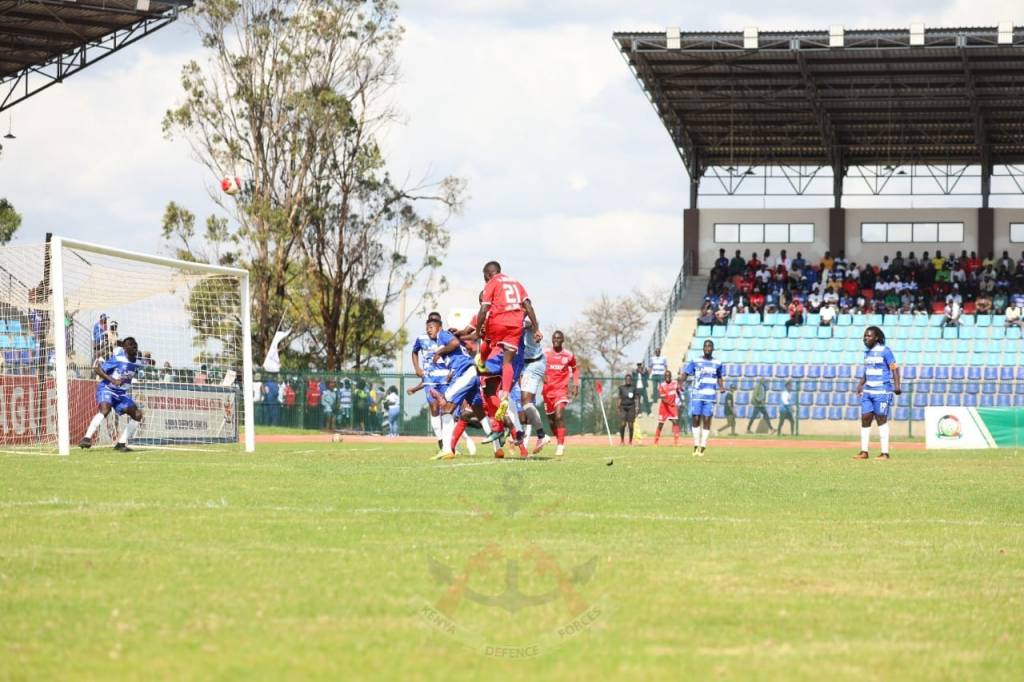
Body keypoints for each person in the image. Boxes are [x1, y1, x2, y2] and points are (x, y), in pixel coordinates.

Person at [473, 261, 540, 422]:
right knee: (507, 362)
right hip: (515, 325)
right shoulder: (516, 283)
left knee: (488, 342)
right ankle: (504, 395)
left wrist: (478, 329)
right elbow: (528, 306)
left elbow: (484, 309)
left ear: (488, 274)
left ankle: (481, 361)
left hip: (498, 322)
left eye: (484, 277)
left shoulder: (492, 282)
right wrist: (536, 328)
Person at [78, 336, 145, 451]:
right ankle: (87, 438)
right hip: (107, 388)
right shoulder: (117, 359)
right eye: (130, 344)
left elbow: (128, 374)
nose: (134, 345)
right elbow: (98, 369)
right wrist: (113, 380)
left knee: (137, 414)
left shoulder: (138, 363)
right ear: (124, 348)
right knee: (105, 410)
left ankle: (121, 444)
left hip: (121, 394)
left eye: (135, 343)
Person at [854, 326, 900, 460]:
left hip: (882, 390)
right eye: (865, 336)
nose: (866, 338)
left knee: (881, 418)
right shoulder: (867, 353)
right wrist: (861, 383)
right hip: (868, 391)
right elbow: (867, 370)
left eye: (869, 336)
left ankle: (885, 453)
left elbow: (895, 369)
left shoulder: (886, 351)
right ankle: (864, 451)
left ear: (876, 337)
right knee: (865, 417)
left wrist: (897, 385)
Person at [412, 314, 452, 451]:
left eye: (432, 326)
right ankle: (441, 440)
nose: (429, 329)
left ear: (439, 326)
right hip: (429, 378)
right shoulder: (421, 338)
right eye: (428, 326)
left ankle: (450, 442)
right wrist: (417, 368)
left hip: (445, 377)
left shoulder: (445, 338)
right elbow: (414, 351)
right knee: (434, 406)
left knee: (447, 408)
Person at [680, 339, 725, 457]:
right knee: (695, 418)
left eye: (710, 346)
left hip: (710, 396)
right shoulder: (695, 361)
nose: (708, 348)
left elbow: (719, 376)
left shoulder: (718, 363)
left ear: (713, 349)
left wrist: (721, 387)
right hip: (697, 395)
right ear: (703, 348)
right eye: (706, 346)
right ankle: (696, 444)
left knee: (707, 420)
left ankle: (703, 446)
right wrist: (680, 383)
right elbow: (686, 373)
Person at [542, 330, 578, 457]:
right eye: (554, 338)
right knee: (552, 422)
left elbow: (575, 369)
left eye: (558, 338)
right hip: (547, 392)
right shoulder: (545, 353)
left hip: (561, 391)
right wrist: (542, 374)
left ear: (562, 340)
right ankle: (559, 440)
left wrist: (575, 384)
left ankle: (561, 445)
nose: (556, 340)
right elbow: (538, 365)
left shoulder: (568, 355)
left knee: (559, 416)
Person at [518, 318, 548, 452]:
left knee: (526, 401)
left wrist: (517, 325)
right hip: (524, 365)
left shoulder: (525, 319)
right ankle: (538, 435)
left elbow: (532, 322)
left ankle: (541, 435)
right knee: (525, 402)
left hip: (534, 363)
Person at [653, 369, 680, 446]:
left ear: (671, 376)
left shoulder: (675, 383)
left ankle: (676, 442)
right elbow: (663, 399)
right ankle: (656, 440)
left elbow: (677, 390)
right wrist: (670, 403)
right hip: (664, 408)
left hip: (672, 407)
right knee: (661, 424)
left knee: (675, 422)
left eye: (668, 375)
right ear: (664, 377)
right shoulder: (662, 385)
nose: (667, 377)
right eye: (666, 376)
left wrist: (681, 399)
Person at [617, 372, 638, 446]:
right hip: (623, 407)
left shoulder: (633, 388)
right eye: (627, 379)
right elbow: (619, 398)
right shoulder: (621, 388)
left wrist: (637, 408)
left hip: (631, 407)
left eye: (629, 379)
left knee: (630, 425)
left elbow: (636, 398)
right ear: (625, 380)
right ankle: (622, 441)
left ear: (631, 380)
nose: (628, 380)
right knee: (622, 424)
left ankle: (630, 441)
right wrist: (618, 407)